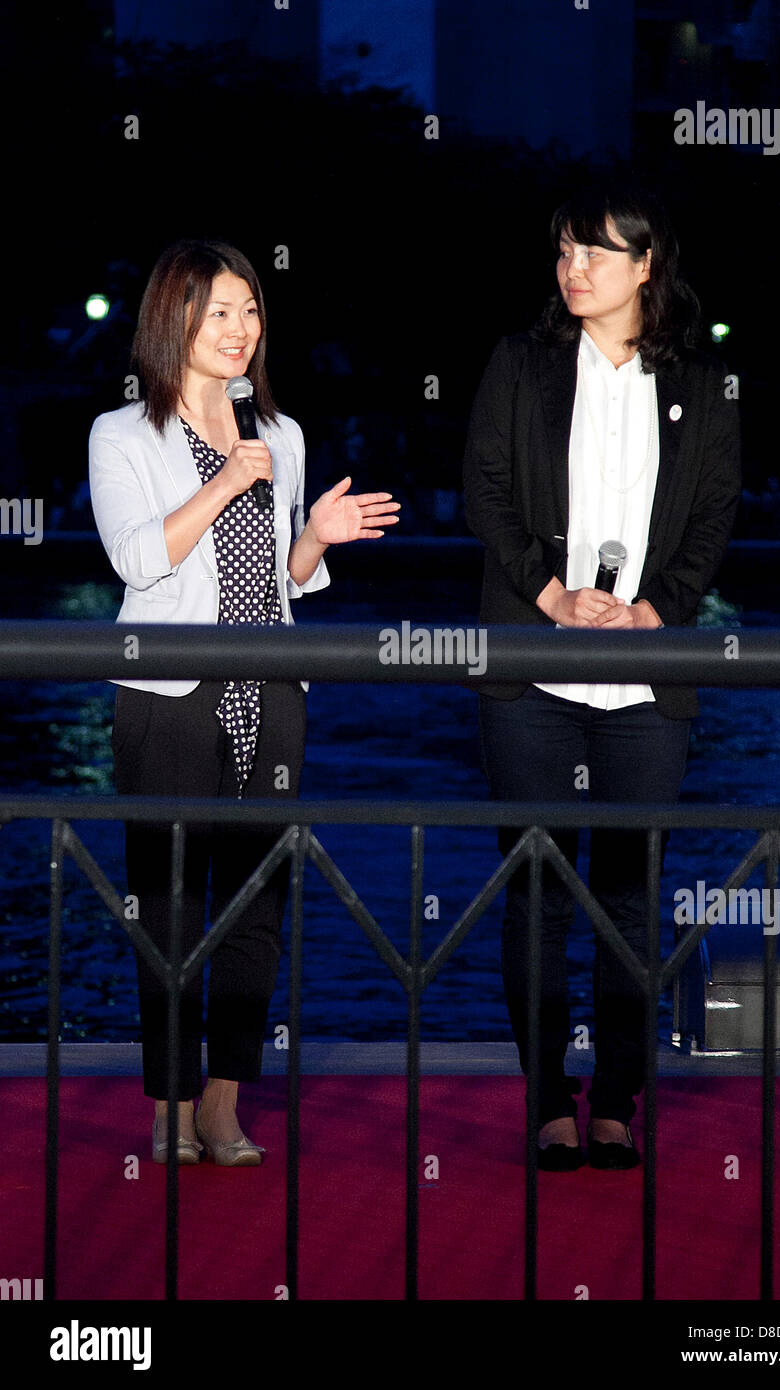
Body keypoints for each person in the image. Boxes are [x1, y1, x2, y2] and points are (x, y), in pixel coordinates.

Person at [89, 239, 399, 1165]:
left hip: (272, 693)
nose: (238, 329)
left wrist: (312, 536)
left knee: (257, 904)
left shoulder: (282, 433)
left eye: (250, 311)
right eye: (219, 311)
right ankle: (169, 1105)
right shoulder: (122, 434)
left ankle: (223, 1101)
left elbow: (282, 585)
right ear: (173, 320)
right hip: (170, 699)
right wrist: (225, 480)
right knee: (171, 904)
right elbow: (140, 562)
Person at [463, 181, 740, 1171]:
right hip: (531, 676)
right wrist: (548, 596)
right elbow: (483, 493)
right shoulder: (519, 362)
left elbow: (712, 515)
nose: (570, 268)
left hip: (644, 682)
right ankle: (546, 1097)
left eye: (592, 251)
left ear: (644, 266)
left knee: (631, 895)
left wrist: (655, 611)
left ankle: (616, 1099)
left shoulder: (703, 385)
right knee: (533, 890)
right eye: (563, 252)